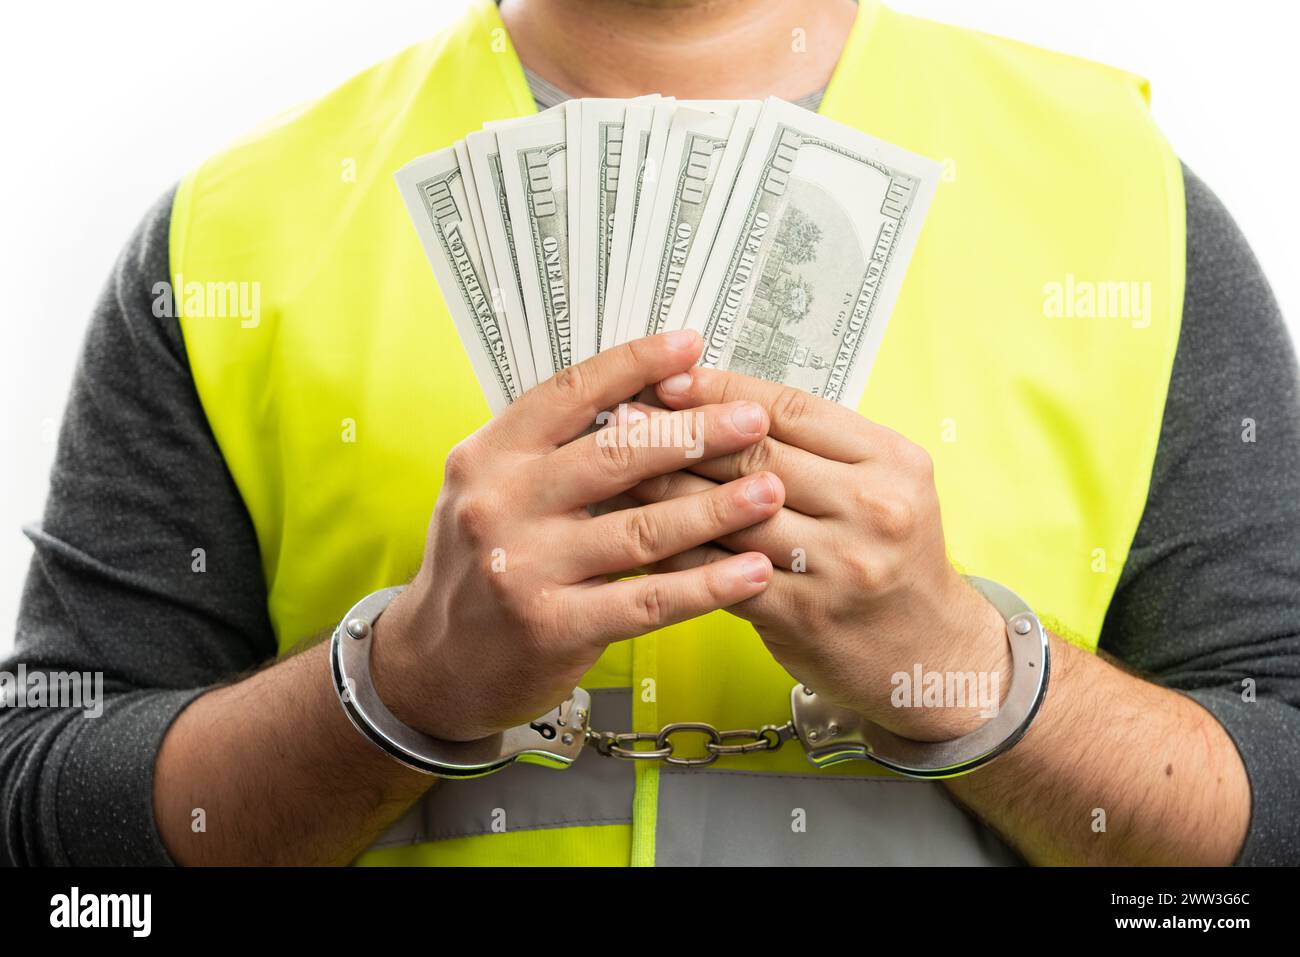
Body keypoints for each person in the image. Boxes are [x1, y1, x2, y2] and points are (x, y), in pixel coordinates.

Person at [2, 0, 1297, 867]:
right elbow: (47, 836)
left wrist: (970, 673)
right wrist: (397, 689)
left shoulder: (1131, 215)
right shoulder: (230, 243)